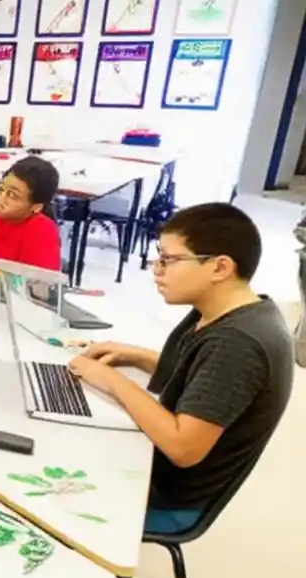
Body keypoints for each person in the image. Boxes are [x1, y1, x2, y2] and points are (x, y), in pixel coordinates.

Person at [68, 203, 292, 533]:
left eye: (168, 260)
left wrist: (112, 380)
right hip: (153, 470)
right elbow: (205, 378)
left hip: (167, 499)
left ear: (220, 268)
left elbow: (182, 447)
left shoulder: (238, 344)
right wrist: (134, 355)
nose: (156, 269)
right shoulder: (233, 311)